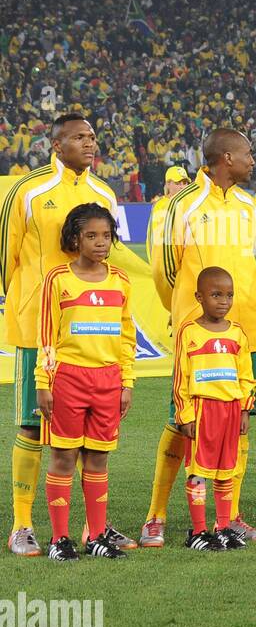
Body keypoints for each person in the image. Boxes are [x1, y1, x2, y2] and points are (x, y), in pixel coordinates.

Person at [142, 127, 256, 548]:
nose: (254, 160)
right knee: (184, 423)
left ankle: (229, 517)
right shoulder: (181, 205)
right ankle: (155, 516)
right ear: (226, 158)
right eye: (248, 153)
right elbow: (164, 273)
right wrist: (187, 317)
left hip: (245, 332)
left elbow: (253, 268)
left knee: (237, 425)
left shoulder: (250, 206)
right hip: (198, 335)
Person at [2, 113, 121, 557]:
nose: (89, 143)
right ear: (57, 145)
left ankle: (95, 529)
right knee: (34, 427)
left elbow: (111, 256)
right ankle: (21, 524)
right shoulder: (28, 190)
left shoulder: (103, 192)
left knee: (91, 436)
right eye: (78, 137)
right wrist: (29, 302)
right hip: (39, 329)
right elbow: (7, 256)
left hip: (88, 333)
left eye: (92, 136)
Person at [36, 204, 134, 561]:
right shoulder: (58, 278)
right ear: (75, 238)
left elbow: (126, 337)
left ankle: (95, 537)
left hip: (108, 380)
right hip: (68, 378)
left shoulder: (120, 280)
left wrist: (127, 382)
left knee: (98, 459)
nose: (100, 243)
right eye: (91, 236)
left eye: (106, 236)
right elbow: (46, 335)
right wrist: (42, 381)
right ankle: (60, 540)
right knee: (63, 456)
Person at [171, 266, 256, 552]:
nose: (224, 301)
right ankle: (198, 531)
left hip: (231, 411)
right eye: (216, 294)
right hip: (203, 409)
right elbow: (180, 377)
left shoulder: (237, 334)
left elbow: (246, 375)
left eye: (229, 295)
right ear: (199, 297)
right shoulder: (189, 332)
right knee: (198, 471)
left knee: (225, 471)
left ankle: (222, 527)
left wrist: (245, 409)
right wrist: (185, 414)